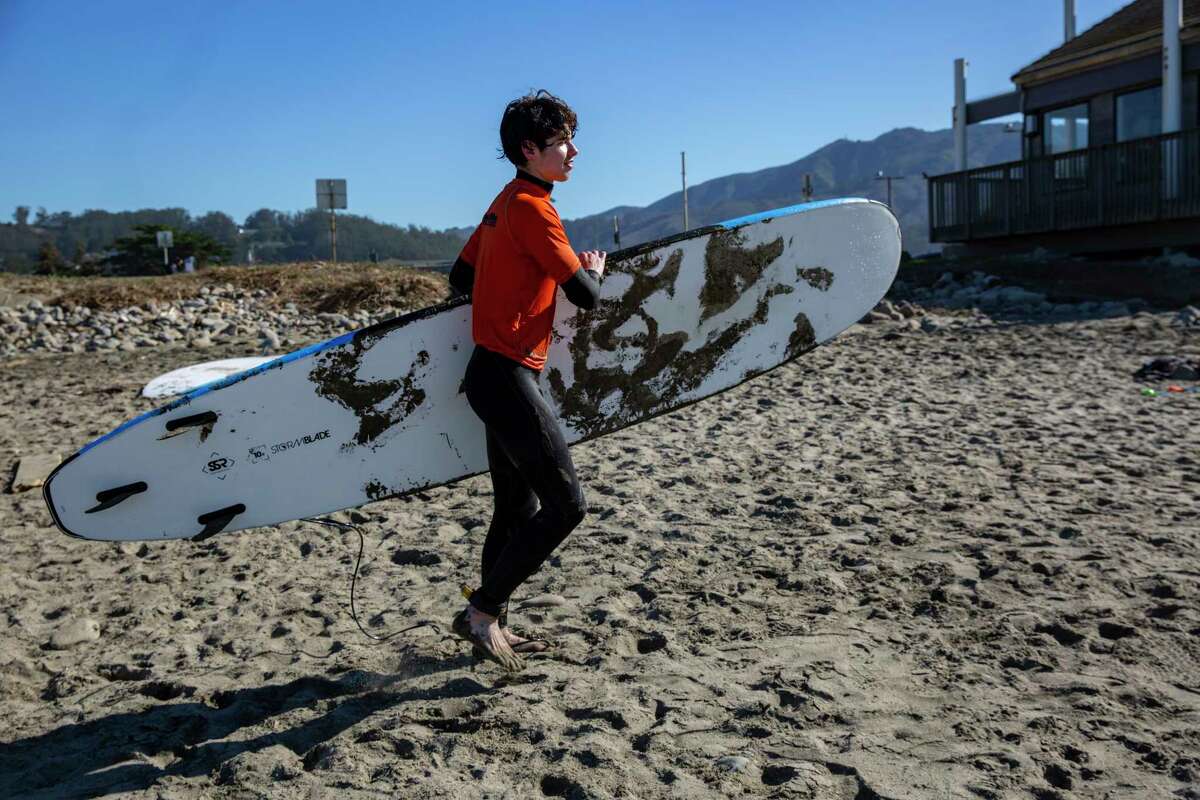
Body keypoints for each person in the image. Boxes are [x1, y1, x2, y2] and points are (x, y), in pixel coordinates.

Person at [447, 90, 605, 671]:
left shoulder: (502, 202)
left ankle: (493, 628)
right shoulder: (535, 206)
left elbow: (459, 276)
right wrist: (591, 270)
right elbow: (585, 297)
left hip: (491, 373)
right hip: (508, 375)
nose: (574, 150)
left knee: (514, 509)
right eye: (562, 141)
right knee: (567, 504)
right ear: (528, 149)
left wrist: (507, 287)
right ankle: (482, 613)